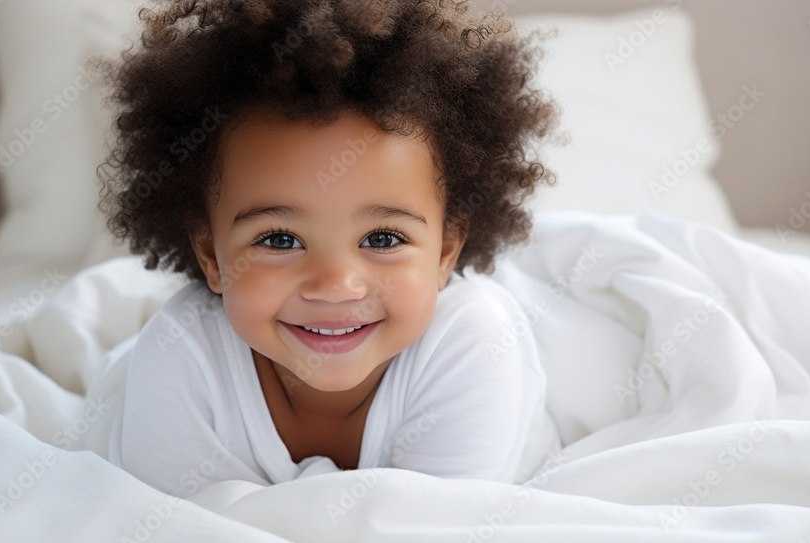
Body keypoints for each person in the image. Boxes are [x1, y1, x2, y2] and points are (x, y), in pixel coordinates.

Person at [94, 0, 564, 497]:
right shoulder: (180, 356)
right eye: (279, 239)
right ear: (211, 255)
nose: (336, 285)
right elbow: (184, 537)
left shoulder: (475, 345)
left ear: (446, 252)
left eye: (382, 239)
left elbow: (431, 534)